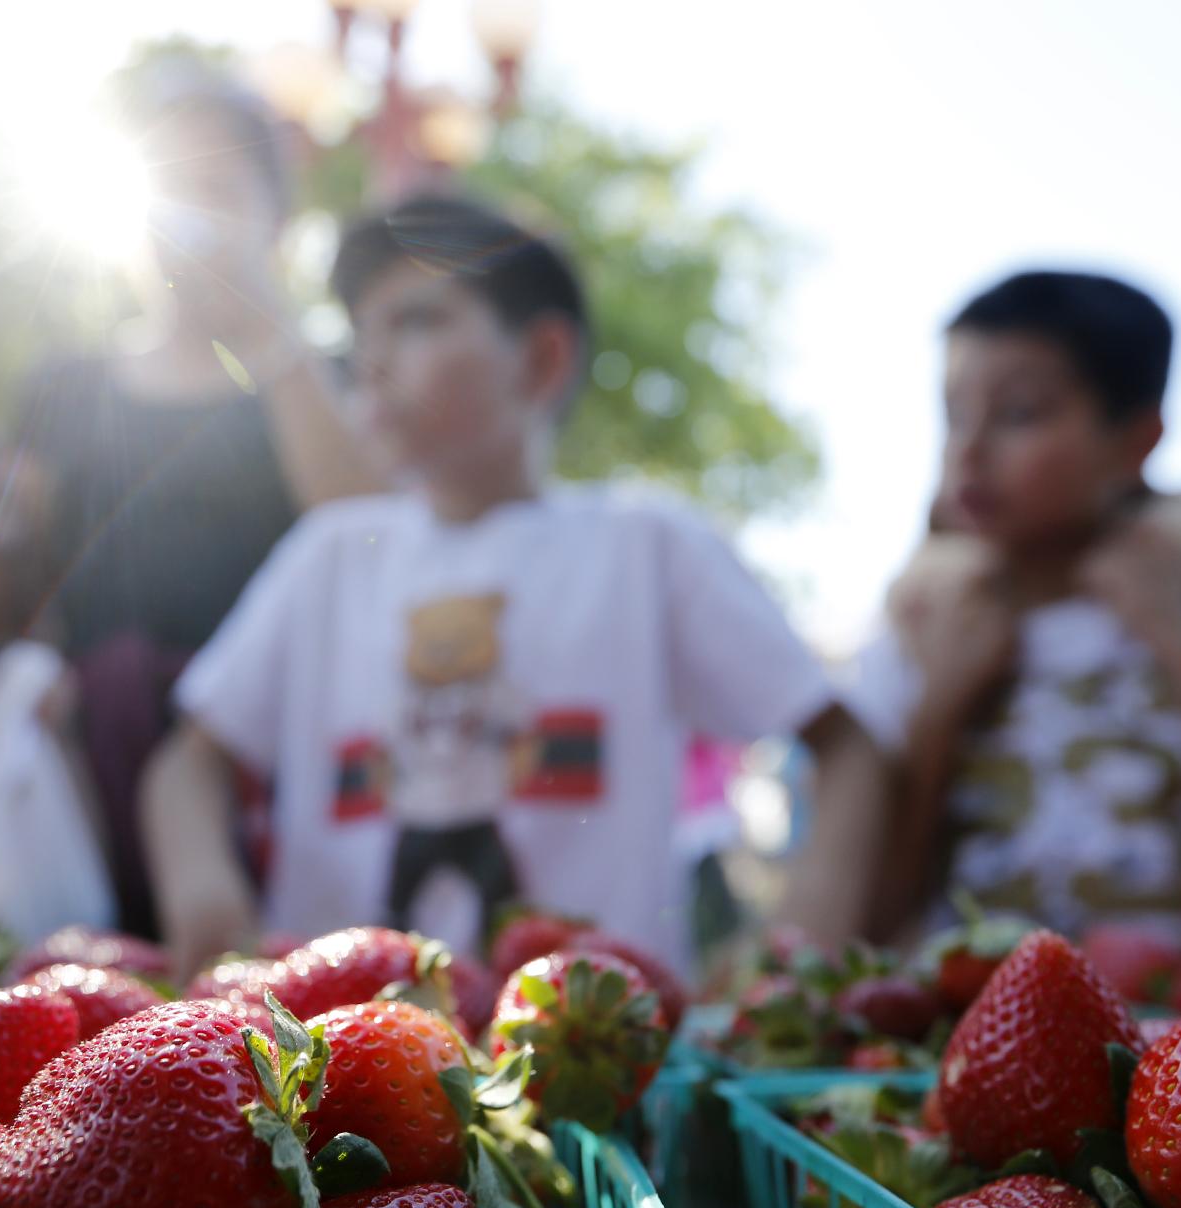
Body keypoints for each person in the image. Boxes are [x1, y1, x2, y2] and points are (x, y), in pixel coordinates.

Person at [140, 194, 863, 977]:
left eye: (417, 321)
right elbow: (188, 764)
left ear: (541, 359)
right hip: (328, 1070)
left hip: (587, 1055)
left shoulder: (645, 546)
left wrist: (789, 953)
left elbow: (846, 746)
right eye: (361, 334)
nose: (371, 360)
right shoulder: (329, 557)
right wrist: (204, 890)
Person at [843, 271, 1181, 943]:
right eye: (954, 413)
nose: (968, 451)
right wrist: (940, 706)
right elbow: (853, 928)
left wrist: (1179, 644)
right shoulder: (916, 629)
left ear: (1137, 440)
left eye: (1019, 411)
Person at [10, 63, 375, 934]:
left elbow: (364, 533)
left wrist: (272, 335)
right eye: (170, 186)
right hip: (93, 755)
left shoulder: (323, 381)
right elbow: (20, 570)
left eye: (219, 190)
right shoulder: (67, 384)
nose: (189, 219)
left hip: (272, 746)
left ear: (275, 225)